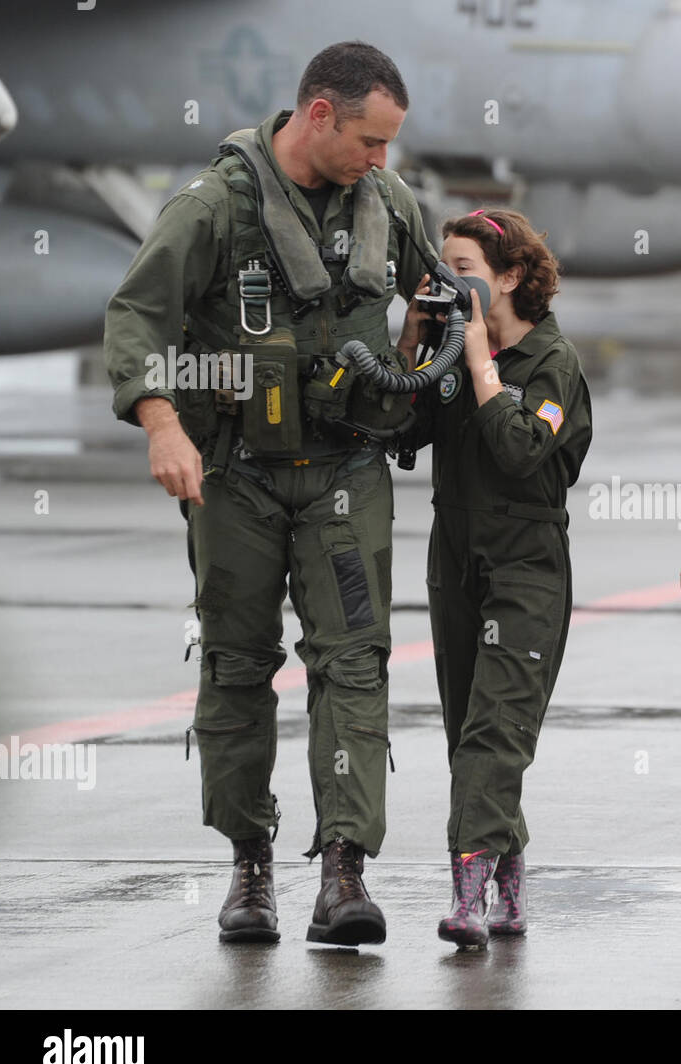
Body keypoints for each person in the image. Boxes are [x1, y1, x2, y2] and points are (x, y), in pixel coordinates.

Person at [104, 42, 438, 946]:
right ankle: (249, 864)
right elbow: (137, 315)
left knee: (354, 662)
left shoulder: (388, 202)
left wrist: (440, 334)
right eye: (370, 140)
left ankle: (343, 871)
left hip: (348, 470)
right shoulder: (214, 206)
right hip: (238, 476)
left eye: (390, 144)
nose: (382, 159)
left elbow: (442, 291)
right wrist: (163, 425)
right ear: (319, 114)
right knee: (238, 664)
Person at [396, 208, 592, 949]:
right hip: (454, 555)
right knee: (465, 729)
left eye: (464, 271)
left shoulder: (551, 362)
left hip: (526, 562)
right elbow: (396, 431)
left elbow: (519, 449)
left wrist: (478, 361)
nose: (450, 284)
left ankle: (468, 893)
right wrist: (413, 342)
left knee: (495, 730)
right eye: (442, 270)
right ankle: (507, 880)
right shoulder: (447, 348)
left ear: (510, 277)